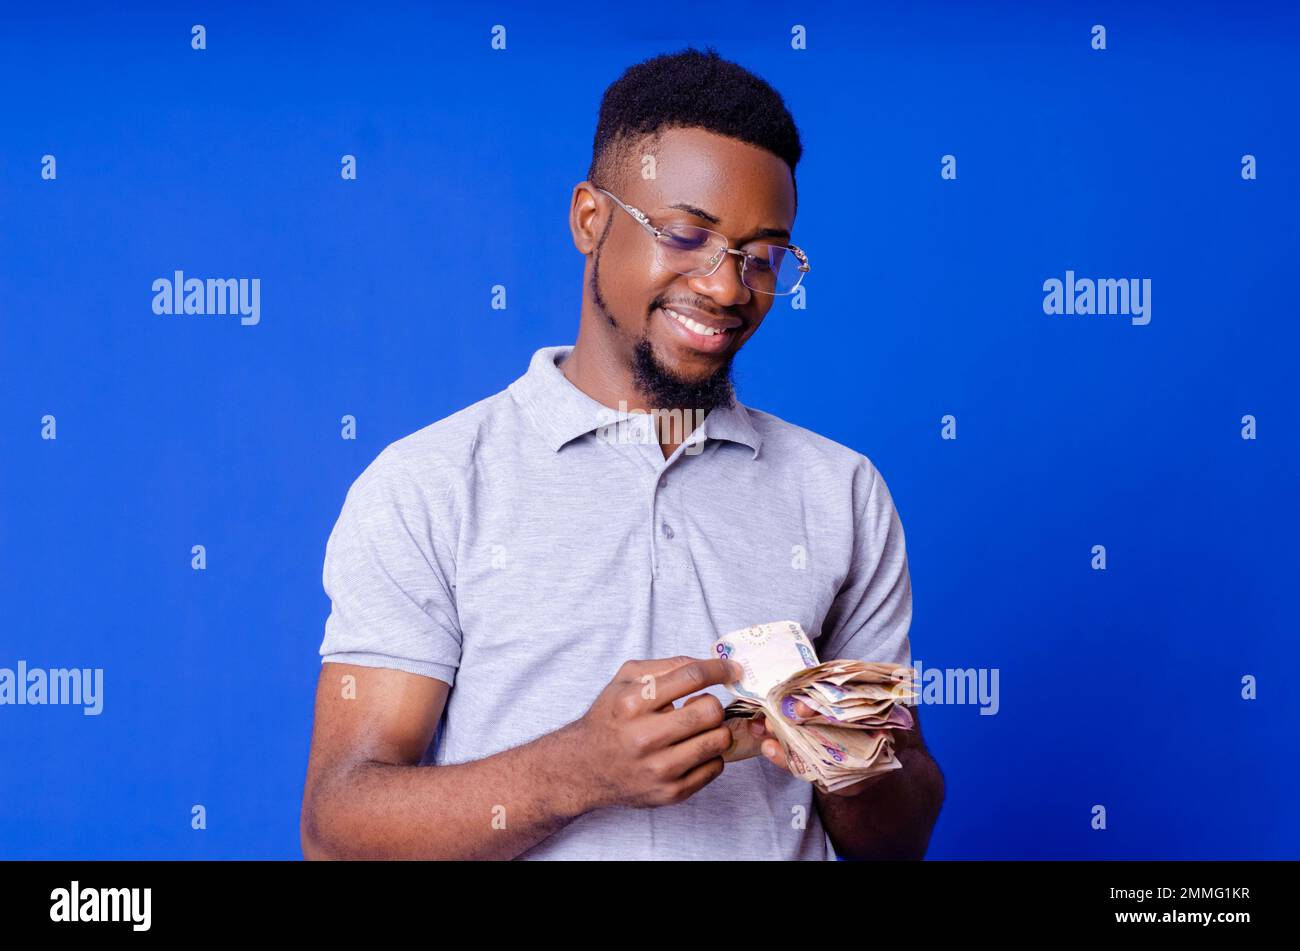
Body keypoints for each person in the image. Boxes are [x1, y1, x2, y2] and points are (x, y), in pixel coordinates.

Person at [300, 46, 944, 860]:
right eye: (685, 234)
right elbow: (338, 826)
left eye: (763, 255)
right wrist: (580, 770)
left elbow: (899, 836)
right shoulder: (427, 485)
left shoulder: (842, 492)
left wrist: (846, 754)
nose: (726, 286)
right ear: (589, 219)